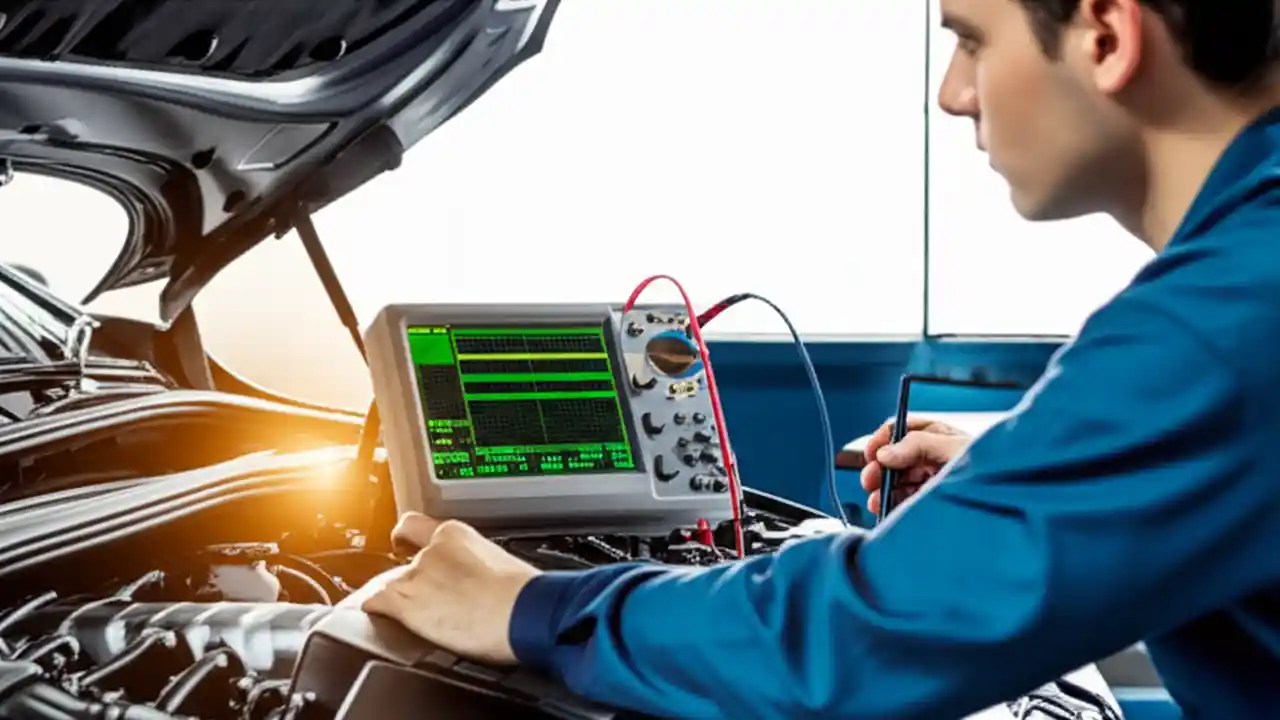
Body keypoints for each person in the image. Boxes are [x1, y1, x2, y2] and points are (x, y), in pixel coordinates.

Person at [359, 0, 1280, 716]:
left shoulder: (1222, 320)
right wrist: (1023, 485)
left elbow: (859, 636)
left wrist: (531, 608)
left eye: (971, 40)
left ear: (1108, 35)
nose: (952, 92)